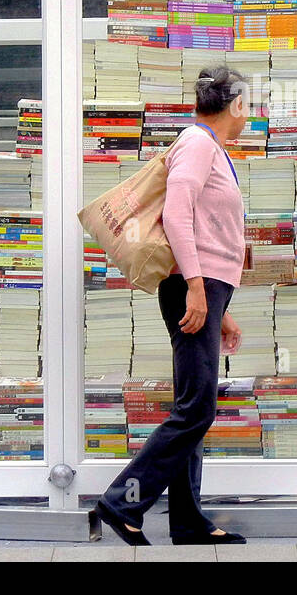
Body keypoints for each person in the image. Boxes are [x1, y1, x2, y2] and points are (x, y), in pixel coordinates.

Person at [95, 65, 249, 546]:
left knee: (192, 404)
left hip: (202, 286)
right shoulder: (199, 143)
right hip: (191, 285)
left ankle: (186, 520)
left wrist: (217, 303)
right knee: (198, 408)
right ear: (237, 105)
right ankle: (123, 500)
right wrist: (199, 289)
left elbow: (204, 229)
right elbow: (177, 215)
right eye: (248, 106)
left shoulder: (210, 148)